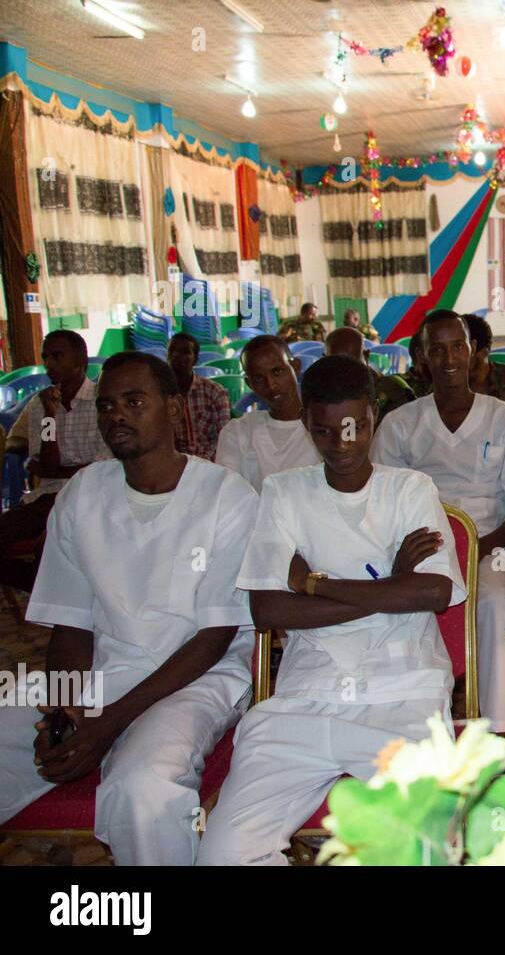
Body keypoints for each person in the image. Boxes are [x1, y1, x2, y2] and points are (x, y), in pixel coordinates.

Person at [198, 356, 464, 865]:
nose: (342, 444)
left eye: (354, 428)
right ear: (306, 425)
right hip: (304, 697)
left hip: (401, 696)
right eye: (324, 431)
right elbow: (268, 608)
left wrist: (314, 584)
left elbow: (433, 593)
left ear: (373, 415)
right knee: (222, 854)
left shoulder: (409, 488)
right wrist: (389, 586)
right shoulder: (283, 491)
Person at [0, 352, 258, 864]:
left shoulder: (227, 497)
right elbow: (70, 624)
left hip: (196, 680)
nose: (116, 415)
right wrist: (65, 710)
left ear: (174, 408)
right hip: (101, 675)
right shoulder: (83, 494)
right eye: (107, 405)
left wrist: (107, 723)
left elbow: (213, 638)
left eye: (134, 401)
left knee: (144, 788)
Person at [372, 312, 505, 733]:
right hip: (423, 549)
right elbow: (383, 505)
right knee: (399, 601)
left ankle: (497, 726)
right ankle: (413, 723)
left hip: (490, 545)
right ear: (422, 358)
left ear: (473, 351)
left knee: (498, 598)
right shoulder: (400, 426)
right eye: (436, 349)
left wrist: (483, 546)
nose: (449, 358)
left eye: (457, 346)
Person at [0, 330, 108, 592]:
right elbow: (48, 466)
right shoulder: (42, 405)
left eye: (57, 356)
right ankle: (44, 588)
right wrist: (50, 415)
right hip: (48, 497)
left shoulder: (101, 402)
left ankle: (52, 589)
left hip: (91, 499)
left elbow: (100, 471)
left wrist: (59, 470)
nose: (49, 364)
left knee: (52, 547)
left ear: (80, 359)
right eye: (46, 357)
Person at [215, 335, 320, 492]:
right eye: (258, 379)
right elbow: (229, 494)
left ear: (295, 367)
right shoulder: (238, 432)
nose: (271, 384)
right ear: (249, 384)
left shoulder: (325, 426)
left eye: (277, 372)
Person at [324, 326, 414, 423]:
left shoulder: (392, 390)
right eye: (336, 364)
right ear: (324, 359)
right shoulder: (318, 391)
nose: (344, 372)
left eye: (352, 364)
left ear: (366, 356)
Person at [168, 332, 231, 461]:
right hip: (173, 466)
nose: (176, 355)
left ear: (195, 359)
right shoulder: (160, 395)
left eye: (185, 352)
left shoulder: (214, 392)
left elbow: (224, 439)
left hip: (210, 463)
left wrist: (202, 465)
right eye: (172, 350)